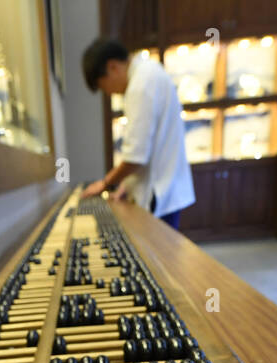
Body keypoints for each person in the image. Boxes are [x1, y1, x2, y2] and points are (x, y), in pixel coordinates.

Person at [80, 38, 195, 229]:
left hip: (159, 191)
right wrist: (126, 185)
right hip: (166, 185)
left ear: (113, 67)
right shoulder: (149, 72)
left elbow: (136, 157)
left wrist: (105, 183)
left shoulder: (140, 85)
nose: (108, 92)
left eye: (103, 86)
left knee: (158, 254)